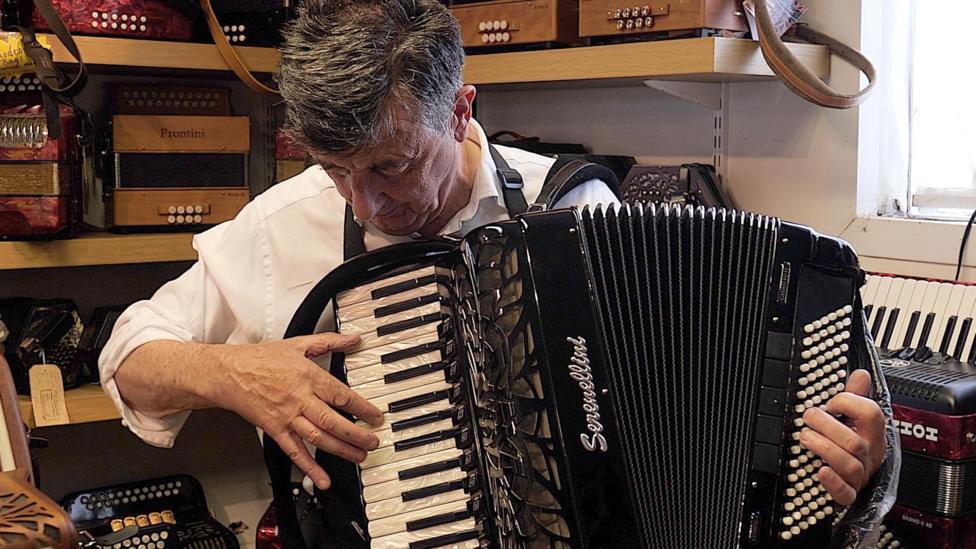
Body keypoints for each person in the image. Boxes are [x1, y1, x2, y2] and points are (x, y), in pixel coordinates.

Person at [99, 0, 888, 515]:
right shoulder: (281, 227)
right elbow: (127, 354)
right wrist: (234, 374)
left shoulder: (576, 209)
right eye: (336, 170)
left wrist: (859, 461)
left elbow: (691, 418)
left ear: (460, 110)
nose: (363, 203)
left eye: (391, 165)